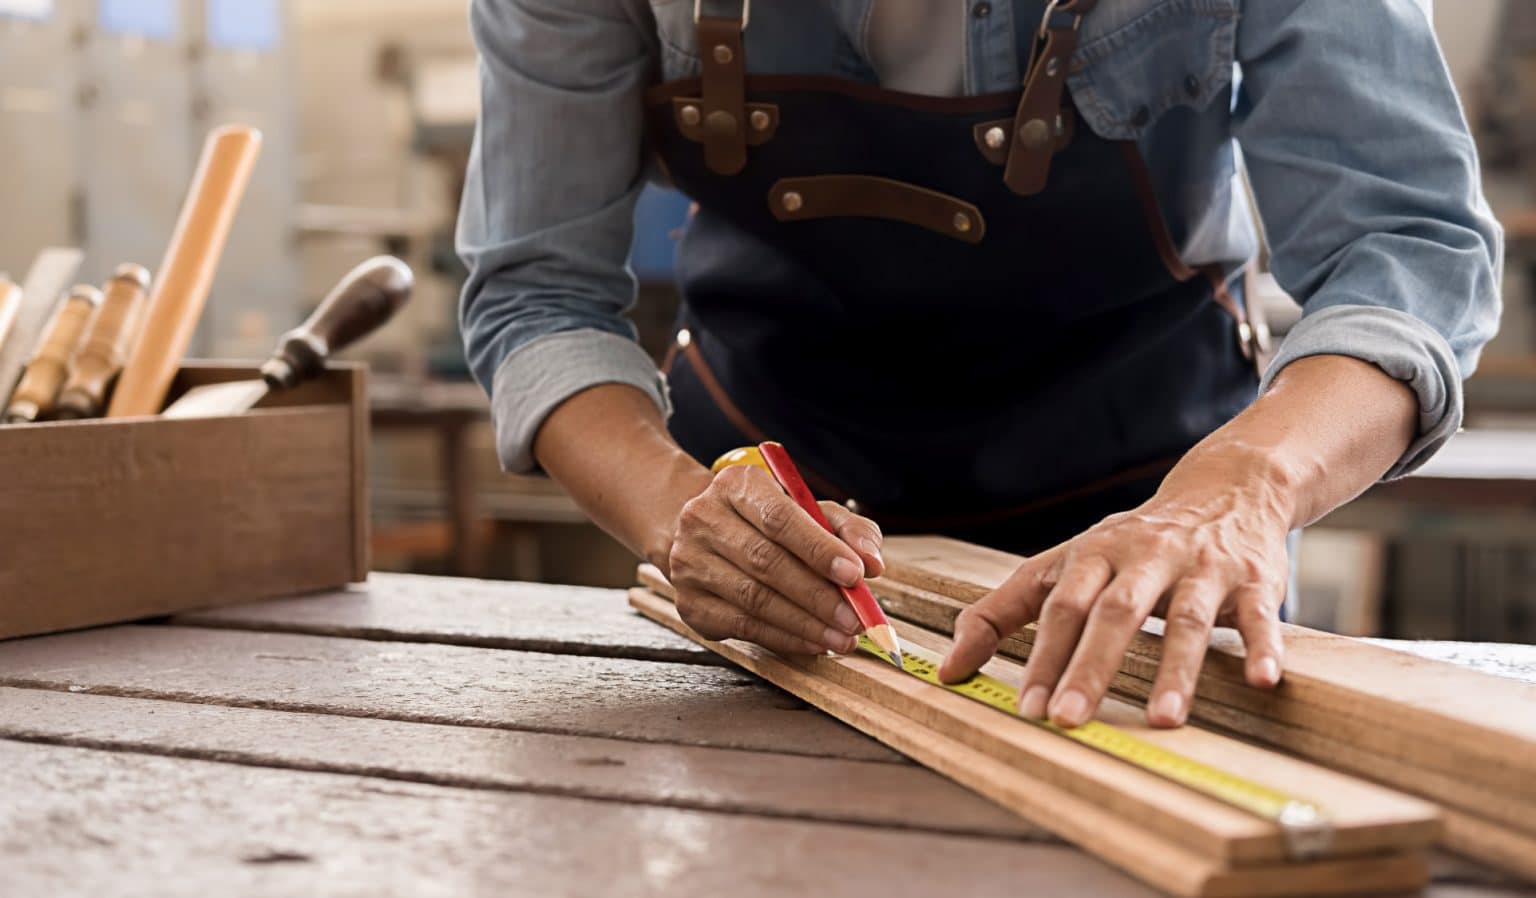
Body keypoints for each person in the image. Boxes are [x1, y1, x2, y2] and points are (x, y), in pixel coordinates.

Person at [457, 0, 1501, 730]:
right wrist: (677, 509)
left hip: (1150, 531)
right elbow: (535, 292)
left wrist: (1245, 489)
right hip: (778, 568)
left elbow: (1406, 251)